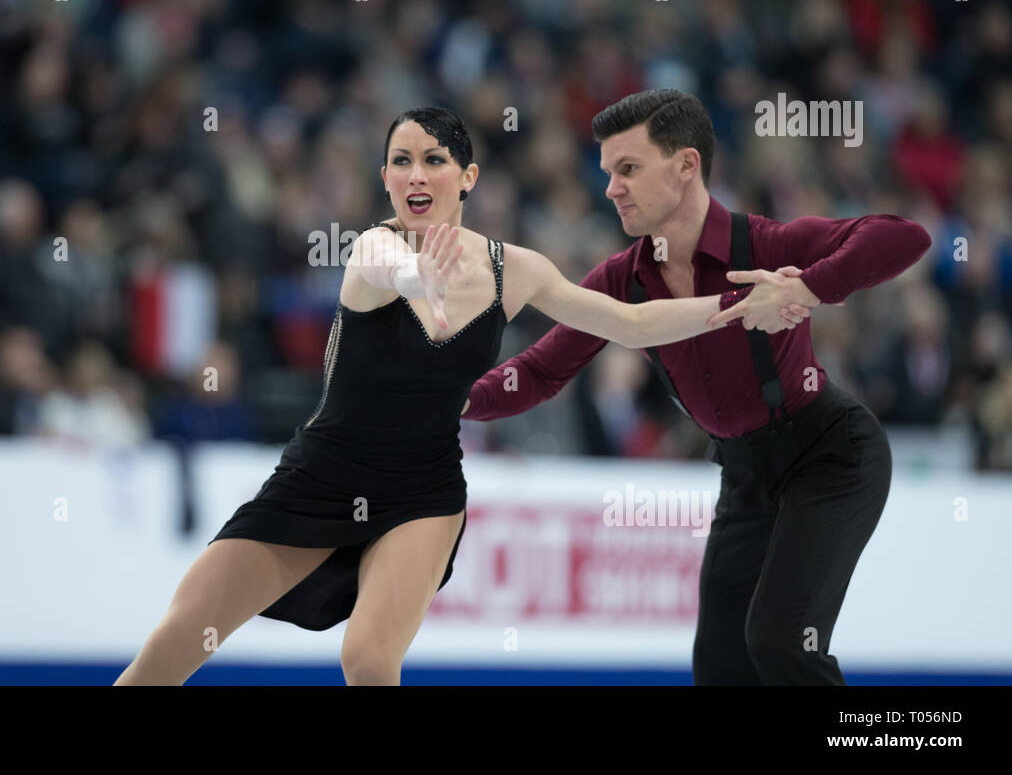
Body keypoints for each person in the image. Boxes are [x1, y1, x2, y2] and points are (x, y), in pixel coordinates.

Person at [114, 106, 795, 686]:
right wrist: (418, 282)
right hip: (318, 476)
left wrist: (736, 304)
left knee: (370, 660)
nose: (415, 173)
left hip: (423, 489)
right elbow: (390, 269)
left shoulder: (514, 270)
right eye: (400, 161)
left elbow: (633, 321)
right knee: (178, 640)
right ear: (384, 178)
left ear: (467, 177)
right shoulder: (370, 252)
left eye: (433, 160)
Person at [462, 88, 933, 685]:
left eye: (628, 169)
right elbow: (538, 370)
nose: (611, 188)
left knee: (782, 642)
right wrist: (457, 398)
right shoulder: (618, 281)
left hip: (831, 457)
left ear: (686, 165)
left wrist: (804, 289)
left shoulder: (764, 244)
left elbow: (902, 236)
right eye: (608, 172)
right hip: (745, 478)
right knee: (720, 668)